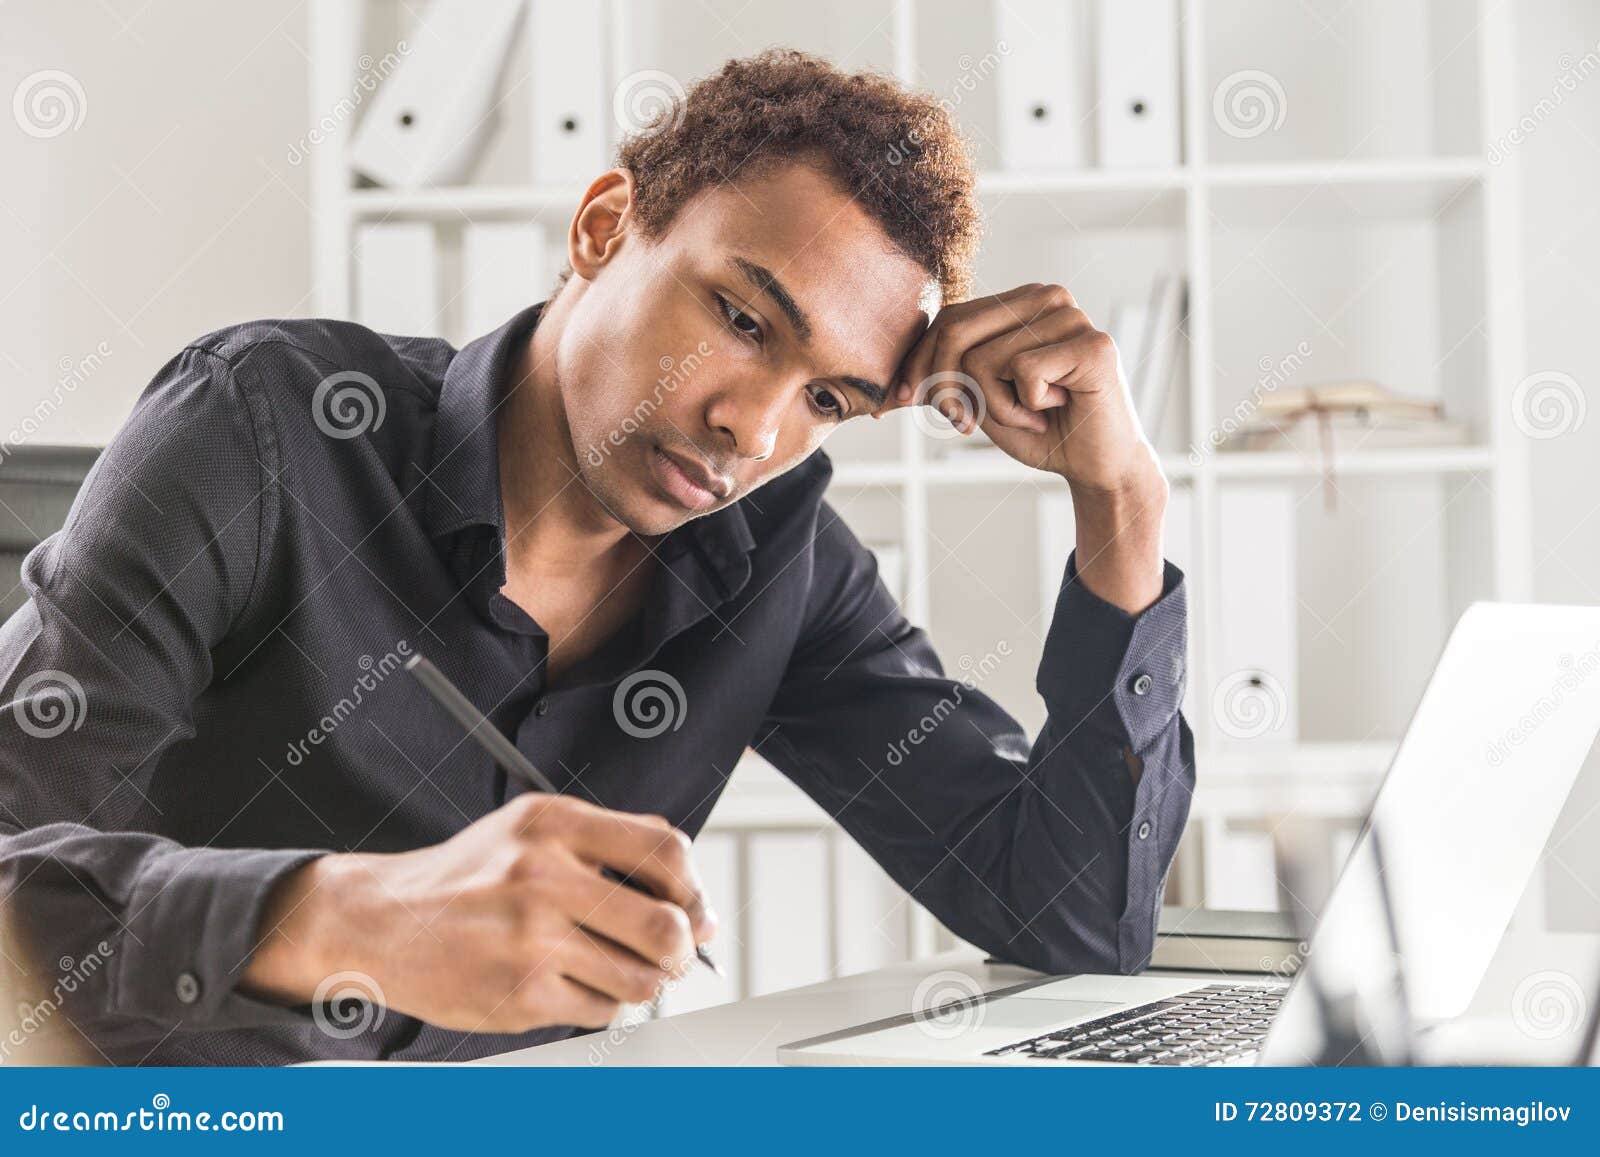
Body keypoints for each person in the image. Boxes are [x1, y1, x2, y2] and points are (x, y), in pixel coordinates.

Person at [0, 50, 1191, 1064]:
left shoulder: (782, 568)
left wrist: (1124, 501)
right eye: (740, 319)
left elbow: (1072, 919)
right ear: (604, 227)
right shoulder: (266, 427)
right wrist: (345, 917)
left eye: (826, 396)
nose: (753, 429)